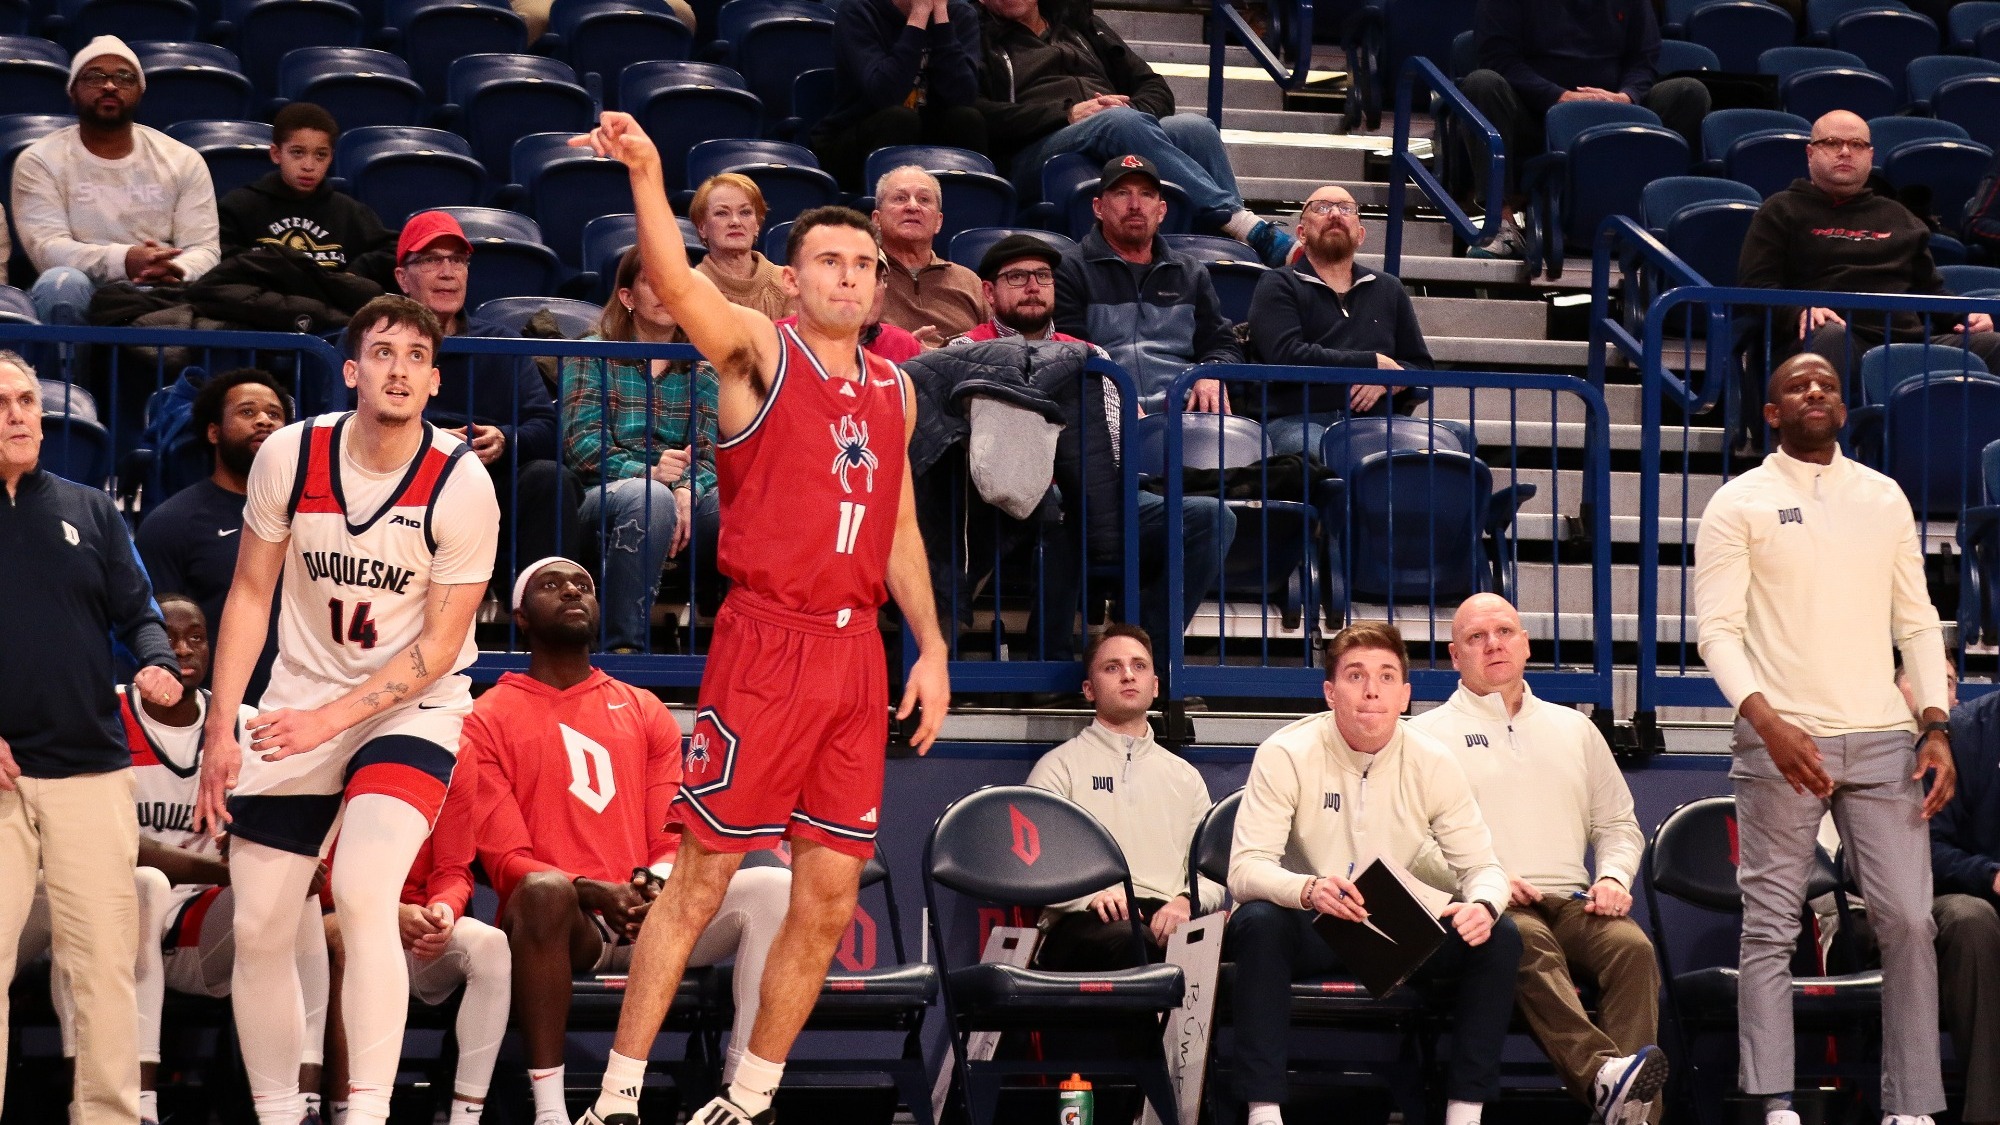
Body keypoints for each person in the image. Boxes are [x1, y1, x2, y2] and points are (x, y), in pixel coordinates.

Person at [574, 110, 951, 1125]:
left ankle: (749, 1096)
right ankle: (616, 1096)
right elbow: (682, 281)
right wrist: (648, 177)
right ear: (791, 279)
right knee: (700, 880)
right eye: (825, 261)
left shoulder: (894, 390)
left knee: (827, 896)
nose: (845, 277)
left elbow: (900, 523)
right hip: (763, 646)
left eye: (861, 264)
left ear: (880, 284)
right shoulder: (754, 351)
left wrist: (932, 647)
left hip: (855, 657)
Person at [192, 294, 501, 1125]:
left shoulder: (462, 484)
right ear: (353, 369)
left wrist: (329, 724)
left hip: (413, 708)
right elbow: (251, 592)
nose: (399, 368)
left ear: (434, 381)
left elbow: (439, 648)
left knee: (365, 892)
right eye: (383, 351)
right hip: (299, 695)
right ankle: (279, 1112)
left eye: (415, 356)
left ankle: (365, 1113)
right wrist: (222, 726)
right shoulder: (291, 454)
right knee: (257, 923)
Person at [1693, 351, 1955, 1125]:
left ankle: (1909, 1107)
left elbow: (1916, 620)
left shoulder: (1883, 497)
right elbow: (1716, 631)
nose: (1815, 391)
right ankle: (1774, 1100)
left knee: (1910, 919)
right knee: (1771, 926)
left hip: (1883, 734)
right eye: (1796, 386)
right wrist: (1766, 721)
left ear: (1844, 408)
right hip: (1783, 738)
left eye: (1828, 384)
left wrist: (1934, 722)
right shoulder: (1738, 502)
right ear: (1770, 414)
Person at [473, 558, 791, 1125]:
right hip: (565, 927)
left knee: (772, 887)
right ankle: (551, 1113)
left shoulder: (644, 708)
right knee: (544, 890)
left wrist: (658, 887)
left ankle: (742, 1097)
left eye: (585, 585)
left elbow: (670, 831)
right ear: (519, 617)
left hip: (653, 919)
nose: (573, 590)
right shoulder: (485, 717)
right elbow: (503, 860)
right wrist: (594, 892)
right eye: (552, 585)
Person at [1226, 621, 1523, 1125]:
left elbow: (1482, 867)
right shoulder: (1285, 752)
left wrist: (1484, 904)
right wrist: (1308, 889)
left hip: (1391, 927)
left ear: (1405, 695)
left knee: (1498, 936)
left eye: (1387, 677)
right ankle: (1263, 1111)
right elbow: (1244, 869)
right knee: (1256, 922)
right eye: (1355, 675)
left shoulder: (1433, 760)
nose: (1371, 690)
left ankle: (1464, 1113)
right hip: (1312, 919)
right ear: (1329, 691)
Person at [0, 349, 183, 1125]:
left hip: (90, 768)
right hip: (3, 776)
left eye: (29, 401)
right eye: (3, 402)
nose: (20, 415)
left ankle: (108, 1116)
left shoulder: (90, 508)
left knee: (105, 966)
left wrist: (157, 661)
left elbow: (138, 610)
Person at [1409, 594, 1666, 1125]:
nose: (1493, 644)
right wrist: (1488, 882)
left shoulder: (1575, 730)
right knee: (1525, 942)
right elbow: (1413, 843)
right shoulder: (1424, 736)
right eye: (1476, 638)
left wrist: (1614, 877)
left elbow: (1618, 825)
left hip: (1574, 900)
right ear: (1455, 657)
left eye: (1504, 631)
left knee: (1633, 949)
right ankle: (1604, 1079)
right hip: (1491, 906)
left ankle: (1633, 1115)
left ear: (1526, 644)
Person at [113, 595, 332, 1125]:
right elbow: (120, 849)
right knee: (144, 881)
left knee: (294, 891)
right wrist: (229, 867)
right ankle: (142, 1106)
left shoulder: (242, 724)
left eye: (197, 638)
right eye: (168, 638)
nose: (184, 650)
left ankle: (305, 1097)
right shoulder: (109, 714)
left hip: (203, 931)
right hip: (124, 925)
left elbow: (276, 835)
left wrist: (266, 855)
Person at [974, 0, 1293, 267]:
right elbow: (978, 114)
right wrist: (1068, 113)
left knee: (1195, 129)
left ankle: (1235, 256)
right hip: (1036, 148)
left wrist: (1130, 110)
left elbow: (1155, 88)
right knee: (1120, 123)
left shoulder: (1081, 27)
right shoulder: (977, 34)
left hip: (1113, 123)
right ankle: (1248, 228)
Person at [323, 744, 511, 1125]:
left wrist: (443, 910)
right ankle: (346, 1112)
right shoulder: (338, 737)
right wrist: (387, 912)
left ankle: (465, 1117)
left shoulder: (456, 749)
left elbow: (454, 868)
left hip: (413, 926)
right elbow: (312, 866)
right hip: (332, 914)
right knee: (350, 936)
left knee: (491, 945)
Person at [1738, 111, 2000, 380]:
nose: (1845, 152)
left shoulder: (1900, 216)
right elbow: (1756, 286)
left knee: (1993, 344)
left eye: (1857, 145)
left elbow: (1930, 290)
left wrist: (1966, 315)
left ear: (1870, 155)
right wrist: (1799, 311)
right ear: (1810, 153)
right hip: (1832, 338)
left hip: (1906, 342)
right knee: (1829, 334)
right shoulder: (1780, 209)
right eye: (1831, 143)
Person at [396, 210, 580, 581]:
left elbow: (546, 428)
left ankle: (541, 613)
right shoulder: (381, 341)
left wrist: (505, 439)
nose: (448, 272)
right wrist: (425, 441)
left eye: (458, 260)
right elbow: (348, 422)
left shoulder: (502, 344)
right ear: (403, 277)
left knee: (550, 478)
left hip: (490, 483)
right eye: (432, 260)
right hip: (405, 479)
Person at [560, 248, 722, 653]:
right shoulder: (593, 352)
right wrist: (649, 471)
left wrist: (685, 487)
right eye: (653, 281)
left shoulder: (704, 365)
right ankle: (623, 649)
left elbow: (709, 456)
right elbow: (580, 446)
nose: (666, 291)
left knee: (733, 503)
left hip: (680, 495)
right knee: (648, 497)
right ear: (629, 297)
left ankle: (733, 650)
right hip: (602, 493)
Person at [1026, 624, 1215, 969]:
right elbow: (1035, 866)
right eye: (1112, 668)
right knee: (1131, 941)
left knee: (1239, 940)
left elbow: (1211, 871)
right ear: (1089, 689)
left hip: (1168, 918)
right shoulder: (1058, 768)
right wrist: (1092, 895)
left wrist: (1188, 901)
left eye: (1139, 666)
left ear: (1155, 686)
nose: (1128, 675)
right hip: (1084, 920)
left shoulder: (1186, 778)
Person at [1459, 0, 1708, 257]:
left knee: (1688, 92)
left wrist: (1626, 97)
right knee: (1482, 84)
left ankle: (1661, 224)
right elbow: (1500, 59)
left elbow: (1643, 60)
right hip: (1535, 116)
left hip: (1614, 112)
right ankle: (1499, 223)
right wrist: (1560, 97)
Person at [10, 35, 220, 325]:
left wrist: (175, 268)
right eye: (95, 77)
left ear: (140, 92)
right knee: (60, 282)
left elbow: (205, 248)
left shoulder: (183, 159)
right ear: (73, 90)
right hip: (82, 287)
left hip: (161, 287)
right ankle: (64, 372)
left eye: (124, 77)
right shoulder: (40, 160)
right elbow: (48, 250)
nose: (110, 85)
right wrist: (124, 260)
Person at [135, 367, 291, 701]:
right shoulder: (171, 523)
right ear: (213, 432)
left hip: (304, 710)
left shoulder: (313, 515)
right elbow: (153, 633)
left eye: (274, 414)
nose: (264, 420)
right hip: (215, 712)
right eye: (247, 412)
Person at [1242, 184, 1429, 457]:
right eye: (1321, 208)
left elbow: (1421, 365)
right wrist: (1371, 364)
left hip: (1376, 421)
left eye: (1346, 209)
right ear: (1301, 234)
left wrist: (1388, 378)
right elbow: (1285, 355)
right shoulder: (1277, 283)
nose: (1335, 215)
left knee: (1456, 440)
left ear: (1361, 235)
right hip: (1301, 418)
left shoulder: (1389, 288)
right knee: (1323, 453)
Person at [1053, 154, 1243, 415]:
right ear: (1098, 208)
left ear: (1161, 210)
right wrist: (1114, 398)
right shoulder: (1070, 268)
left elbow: (1222, 344)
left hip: (1184, 410)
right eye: (1121, 193)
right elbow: (1071, 352)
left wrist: (1210, 372)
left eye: (1146, 194)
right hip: (1102, 411)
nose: (1135, 205)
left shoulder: (1190, 272)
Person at [218, 102, 397, 289]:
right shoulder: (240, 206)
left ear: (331, 158)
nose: (309, 166)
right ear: (276, 154)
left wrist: (356, 272)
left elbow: (394, 249)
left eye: (320, 155)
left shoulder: (348, 211)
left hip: (332, 311)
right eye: (297, 153)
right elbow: (219, 255)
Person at [812, 0, 987, 191]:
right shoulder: (858, 11)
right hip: (857, 137)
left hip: (927, 139)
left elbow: (963, 96)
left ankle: (967, 210)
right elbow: (884, 94)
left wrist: (942, 23)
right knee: (899, 119)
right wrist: (918, 17)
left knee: (967, 119)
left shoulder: (960, 14)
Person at [1930, 684, 2000, 1125]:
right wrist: (1990, 875)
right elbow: (1925, 845)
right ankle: (1985, 1115)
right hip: (1961, 897)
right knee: (1974, 921)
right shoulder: (1962, 733)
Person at [870, 165, 988, 343]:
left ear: (938, 222)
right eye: (900, 198)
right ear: (877, 220)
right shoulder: (863, 275)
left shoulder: (969, 281)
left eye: (924, 199)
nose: (912, 206)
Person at [691, 174, 795, 321]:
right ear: (702, 228)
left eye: (745, 212)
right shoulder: (690, 287)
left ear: (757, 225)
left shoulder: (785, 282)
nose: (735, 221)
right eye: (722, 213)